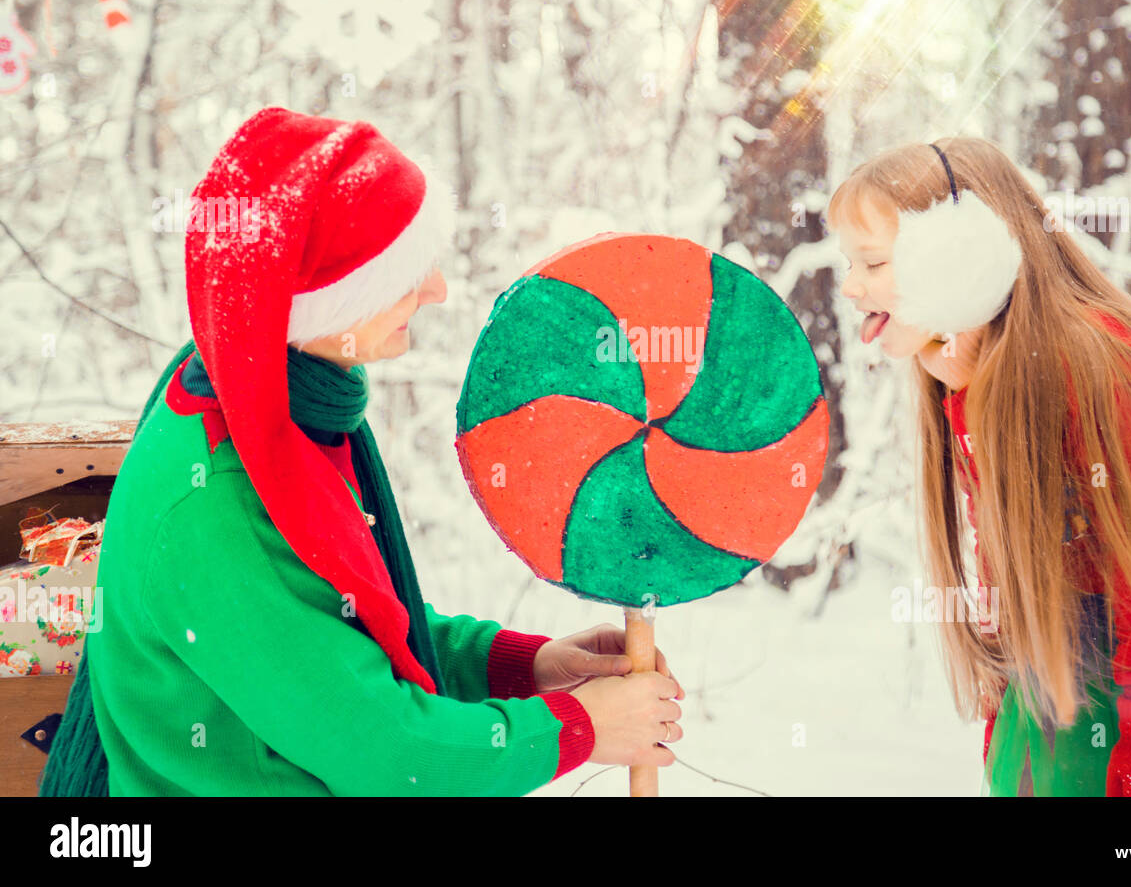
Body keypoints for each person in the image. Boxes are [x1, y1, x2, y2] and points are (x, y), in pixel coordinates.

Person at [40, 106, 683, 796]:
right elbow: (384, 749)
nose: (436, 291)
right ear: (323, 302)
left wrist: (527, 666)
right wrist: (576, 728)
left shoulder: (277, 401)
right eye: (401, 275)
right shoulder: (213, 503)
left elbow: (339, 636)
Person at [829, 136, 1131, 796]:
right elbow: (1007, 542)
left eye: (873, 261)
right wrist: (1007, 694)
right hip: (1075, 650)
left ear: (963, 252)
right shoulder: (958, 370)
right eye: (850, 261)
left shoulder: (1088, 359)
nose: (851, 286)